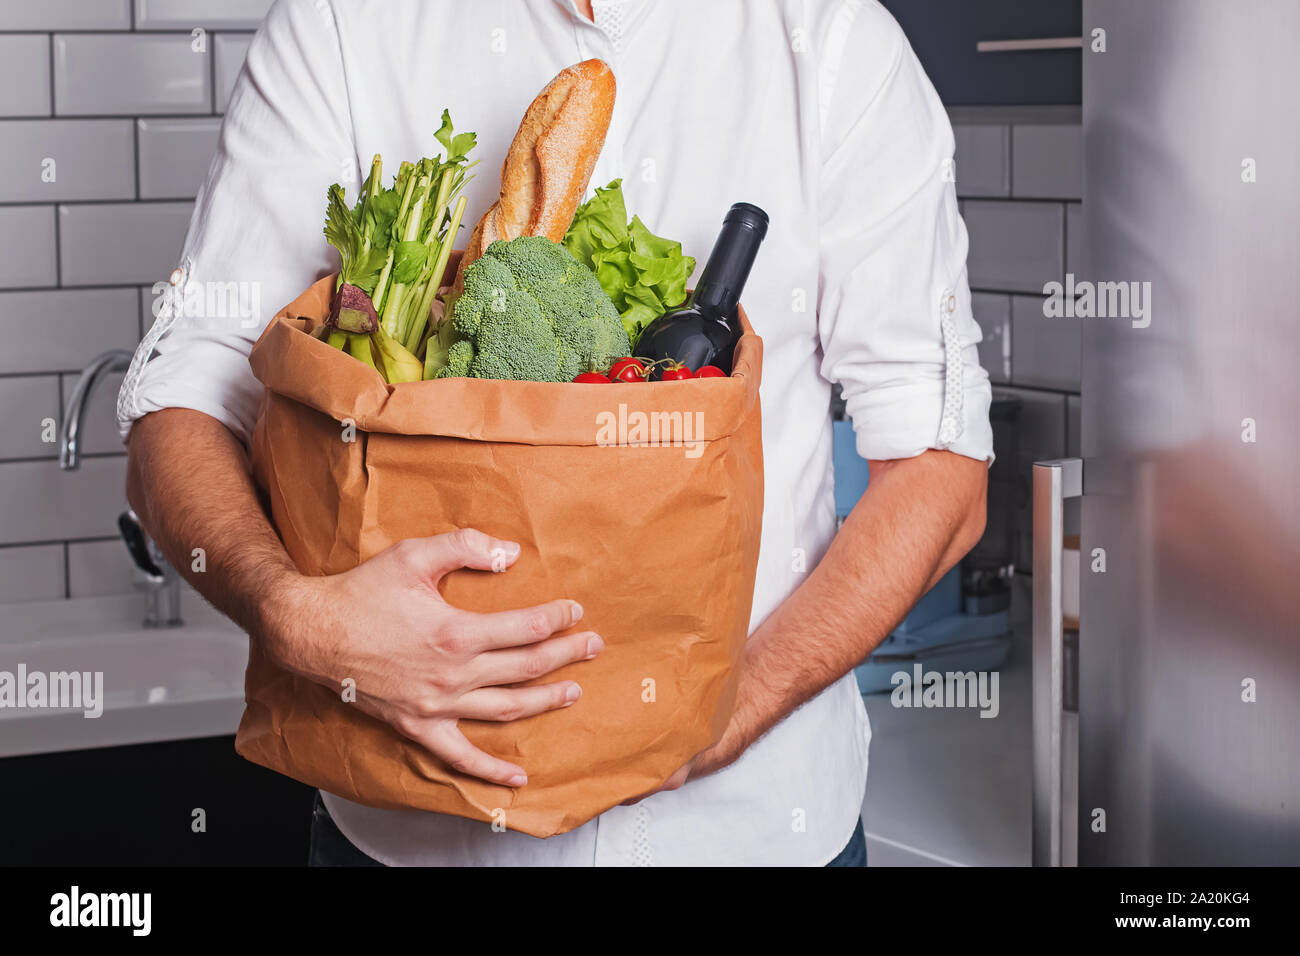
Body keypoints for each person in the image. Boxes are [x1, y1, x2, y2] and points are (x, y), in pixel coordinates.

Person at [118, 0, 991, 867]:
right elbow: (187, 392)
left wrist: (721, 719)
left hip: (758, 835)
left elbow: (940, 469)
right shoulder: (344, 24)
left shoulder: (833, 41)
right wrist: (291, 616)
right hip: (406, 845)